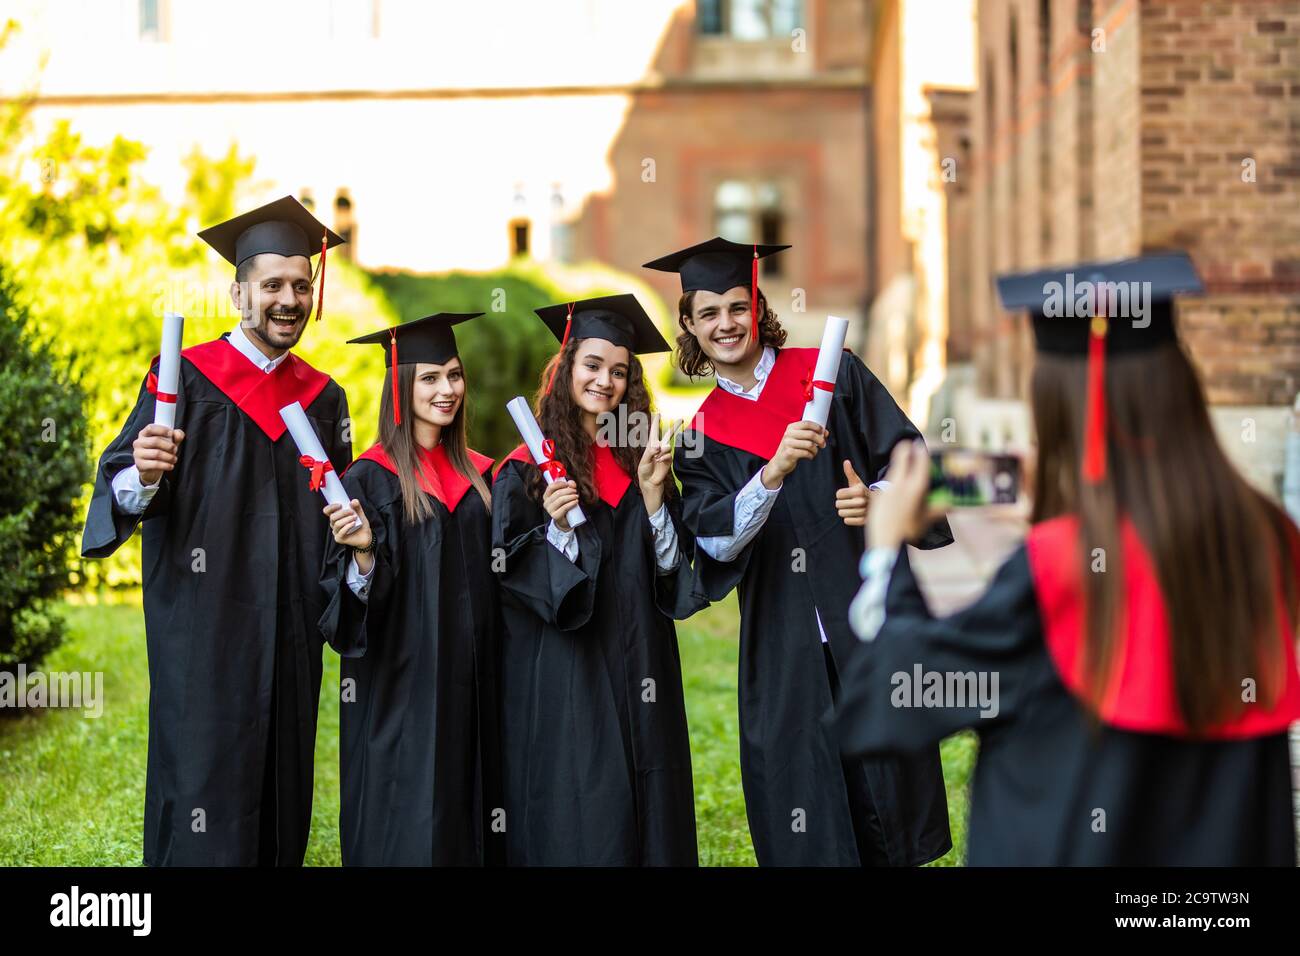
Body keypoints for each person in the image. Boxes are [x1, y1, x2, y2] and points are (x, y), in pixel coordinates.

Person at [834, 252, 1300, 865]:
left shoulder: (1057, 571)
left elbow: (894, 698)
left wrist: (887, 553)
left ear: (1065, 414)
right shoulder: (1263, 534)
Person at [644, 237, 953, 867]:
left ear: (757, 307)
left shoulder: (831, 374)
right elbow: (712, 537)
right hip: (782, 635)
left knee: (887, 776)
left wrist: (879, 498)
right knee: (802, 776)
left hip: (862, 608)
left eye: (737, 307)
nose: (726, 324)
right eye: (709, 314)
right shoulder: (701, 436)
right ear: (690, 326)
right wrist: (771, 473)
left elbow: (917, 461)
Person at [81, 196, 349, 866]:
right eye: (272, 287)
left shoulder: (324, 398)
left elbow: (338, 516)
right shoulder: (187, 380)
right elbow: (122, 485)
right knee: (201, 781)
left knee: (282, 782)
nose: (289, 300)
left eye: (301, 286)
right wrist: (142, 472)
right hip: (204, 628)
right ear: (238, 291)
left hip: (290, 630)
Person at [491, 293, 706, 865]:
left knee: (650, 782)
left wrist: (657, 499)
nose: (605, 381)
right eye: (592, 365)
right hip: (570, 663)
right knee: (583, 792)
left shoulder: (639, 458)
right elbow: (510, 571)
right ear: (565, 367)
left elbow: (669, 571)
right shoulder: (525, 469)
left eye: (619, 372)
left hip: (641, 653)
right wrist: (558, 527)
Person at [319, 312, 503, 866]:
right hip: (398, 687)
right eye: (429, 378)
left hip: (476, 683)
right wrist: (365, 552)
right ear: (400, 386)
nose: (447, 390)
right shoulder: (366, 480)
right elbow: (344, 609)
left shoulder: (484, 478)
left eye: (454, 375)